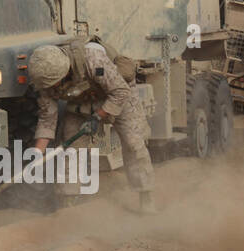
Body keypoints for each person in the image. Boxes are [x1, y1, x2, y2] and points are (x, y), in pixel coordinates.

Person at [28, 40, 155, 213]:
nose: (51, 89)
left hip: (116, 96)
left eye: (54, 84)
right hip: (81, 102)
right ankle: (68, 202)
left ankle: (145, 195)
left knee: (134, 143)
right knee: (71, 151)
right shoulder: (45, 82)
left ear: (64, 73)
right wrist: (37, 152)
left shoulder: (93, 60)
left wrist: (98, 117)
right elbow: (47, 119)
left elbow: (120, 91)